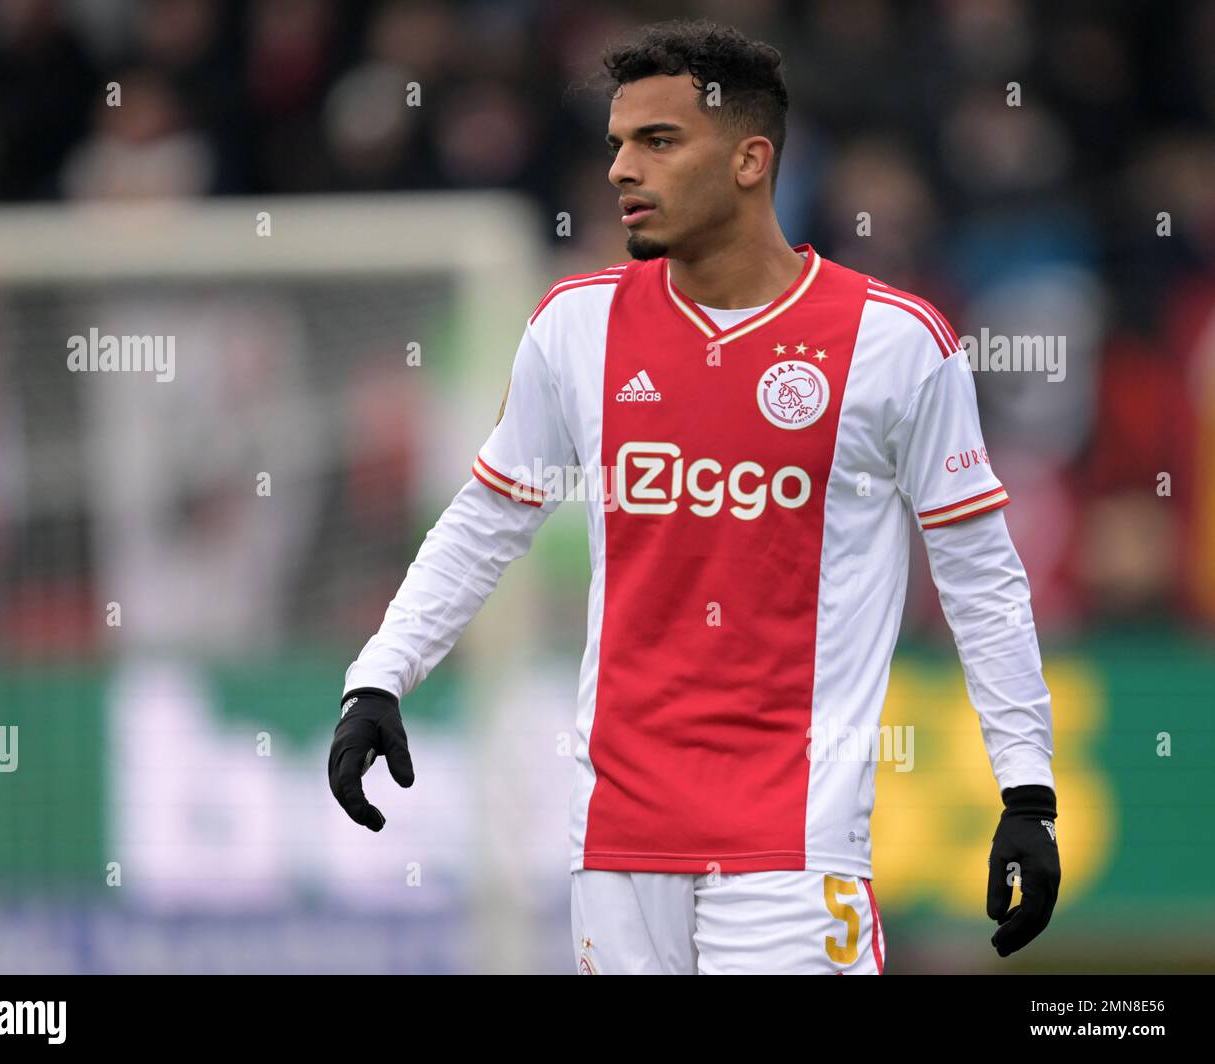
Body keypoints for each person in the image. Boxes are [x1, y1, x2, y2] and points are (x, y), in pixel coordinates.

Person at [329, 19, 1059, 974]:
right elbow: (487, 521)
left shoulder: (895, 343)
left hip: (796, 849)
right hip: (620, 843)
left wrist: (1027, 792)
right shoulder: (574, 327)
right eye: (618, 144)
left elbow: (980, 581)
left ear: (752, 159)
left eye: (659, 142)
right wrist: (381, 675)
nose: (622, 169)